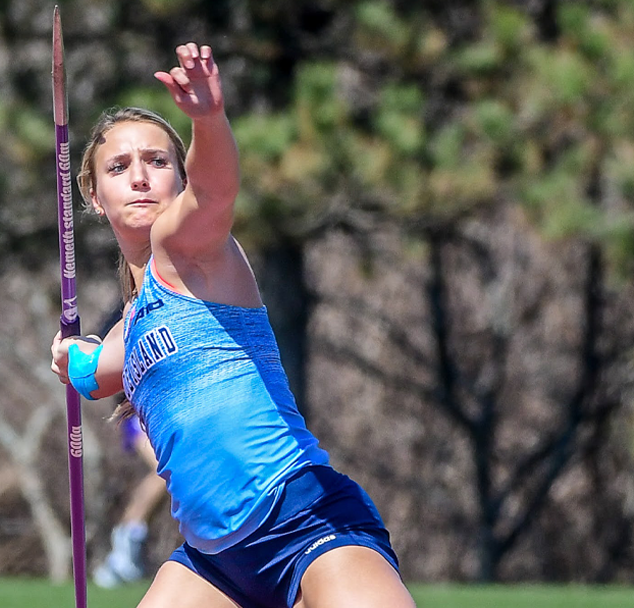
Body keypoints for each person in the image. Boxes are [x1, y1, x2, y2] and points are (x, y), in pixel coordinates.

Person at [51, 43, 416, 608]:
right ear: (95, 197)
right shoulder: (132, 321)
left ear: (177, 178)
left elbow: (215, 190)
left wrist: (208, 119)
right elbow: (95, 373)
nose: (141, 178)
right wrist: (68, 356)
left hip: (306, 522)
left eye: (157, 162)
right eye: (120, 168)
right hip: (214, 562)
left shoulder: (187, 252)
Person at [93, 409, 168, 588]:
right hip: (141, 413)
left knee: (166, 479)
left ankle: (130, 541)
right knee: (163, 470)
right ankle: (124, 546)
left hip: (158, 411)